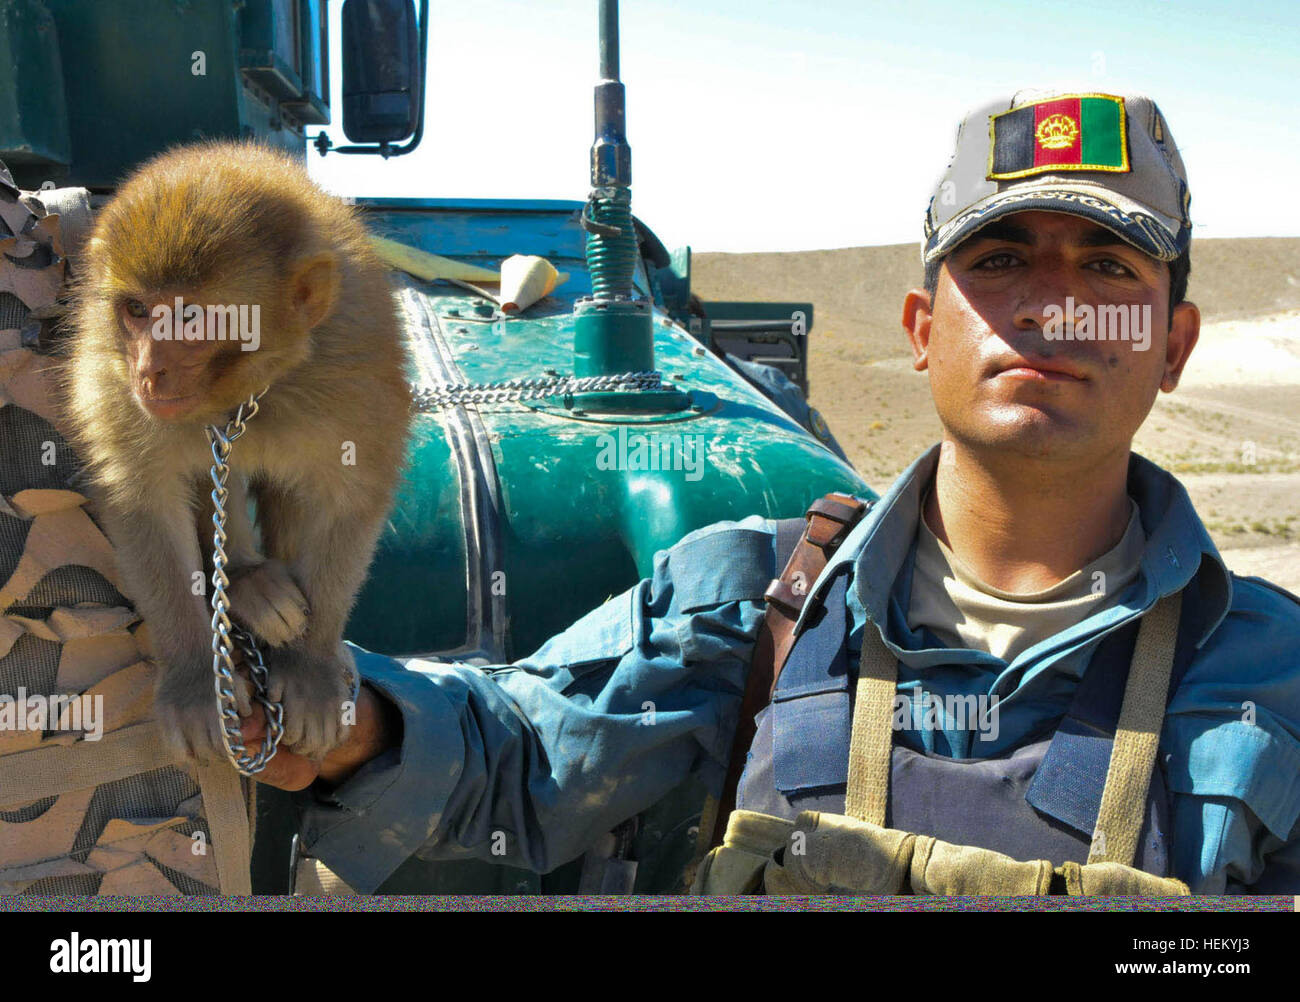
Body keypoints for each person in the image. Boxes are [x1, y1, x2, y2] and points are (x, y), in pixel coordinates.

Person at [248, 89, 1300, 895]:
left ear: (1173, 346)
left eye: (1110, 271)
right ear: (923, 331)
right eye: (1001, 257)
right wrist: (356, 721)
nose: (1053, 308)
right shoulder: (758, 597)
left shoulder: (1274, 674)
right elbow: (522, 751)